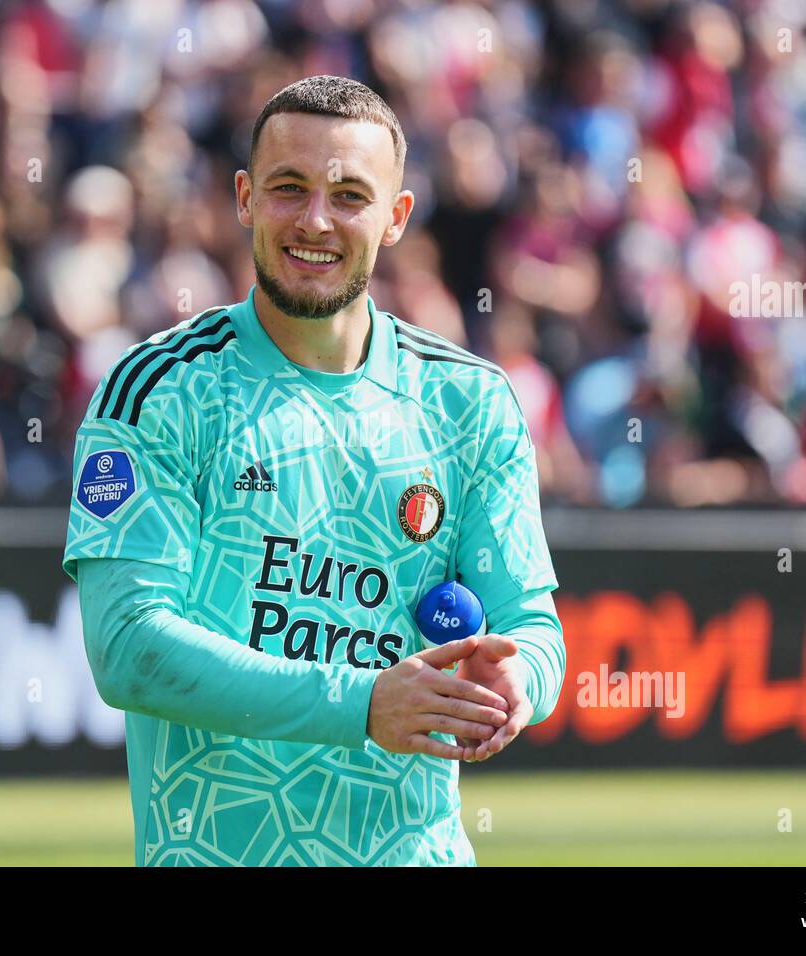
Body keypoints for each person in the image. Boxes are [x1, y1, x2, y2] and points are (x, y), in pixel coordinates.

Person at [63, 75, 565, 866]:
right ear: (244, 198)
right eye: (288, 188)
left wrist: (517, 684)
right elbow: (128, 645)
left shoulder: (471, 401)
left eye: (350, 195)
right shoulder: (159, 389)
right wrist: (362, 703)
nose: (316, 220)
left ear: (397, 217)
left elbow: (534, 627)